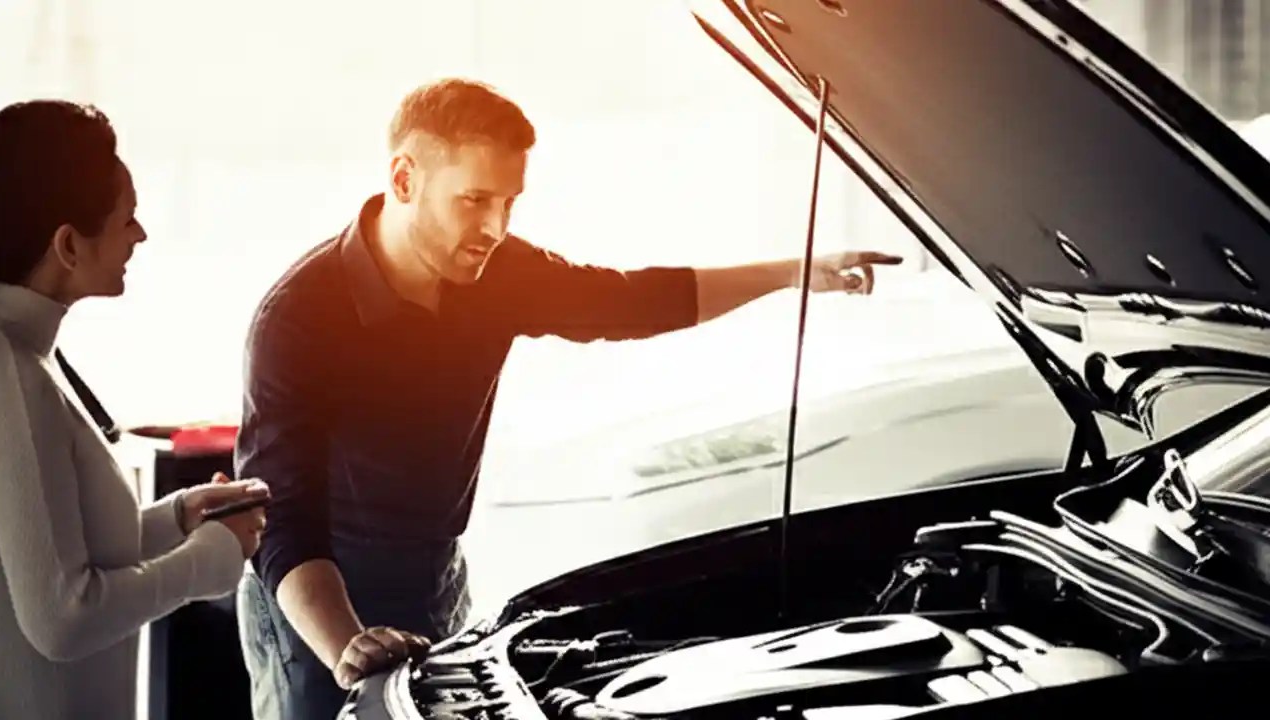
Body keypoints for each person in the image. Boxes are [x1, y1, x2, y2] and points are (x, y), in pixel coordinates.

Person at [234, 77, 902, 719]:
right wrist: (345, 646)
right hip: (316, 597)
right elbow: (282, 517)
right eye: (474, 199)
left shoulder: (498, 272)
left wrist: (794, 272)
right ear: (405, 180)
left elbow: (629, 302)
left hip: (434, 569)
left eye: (509, 203)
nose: (495, 227)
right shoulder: (297, 318)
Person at [0, 99, 270, 719]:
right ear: (68, 244)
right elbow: (62, 618)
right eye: (126, 219)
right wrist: (207, 561)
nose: (139, 235)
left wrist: (180, 517)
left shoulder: (30, 353)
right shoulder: (7, 369)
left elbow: (58, 540)